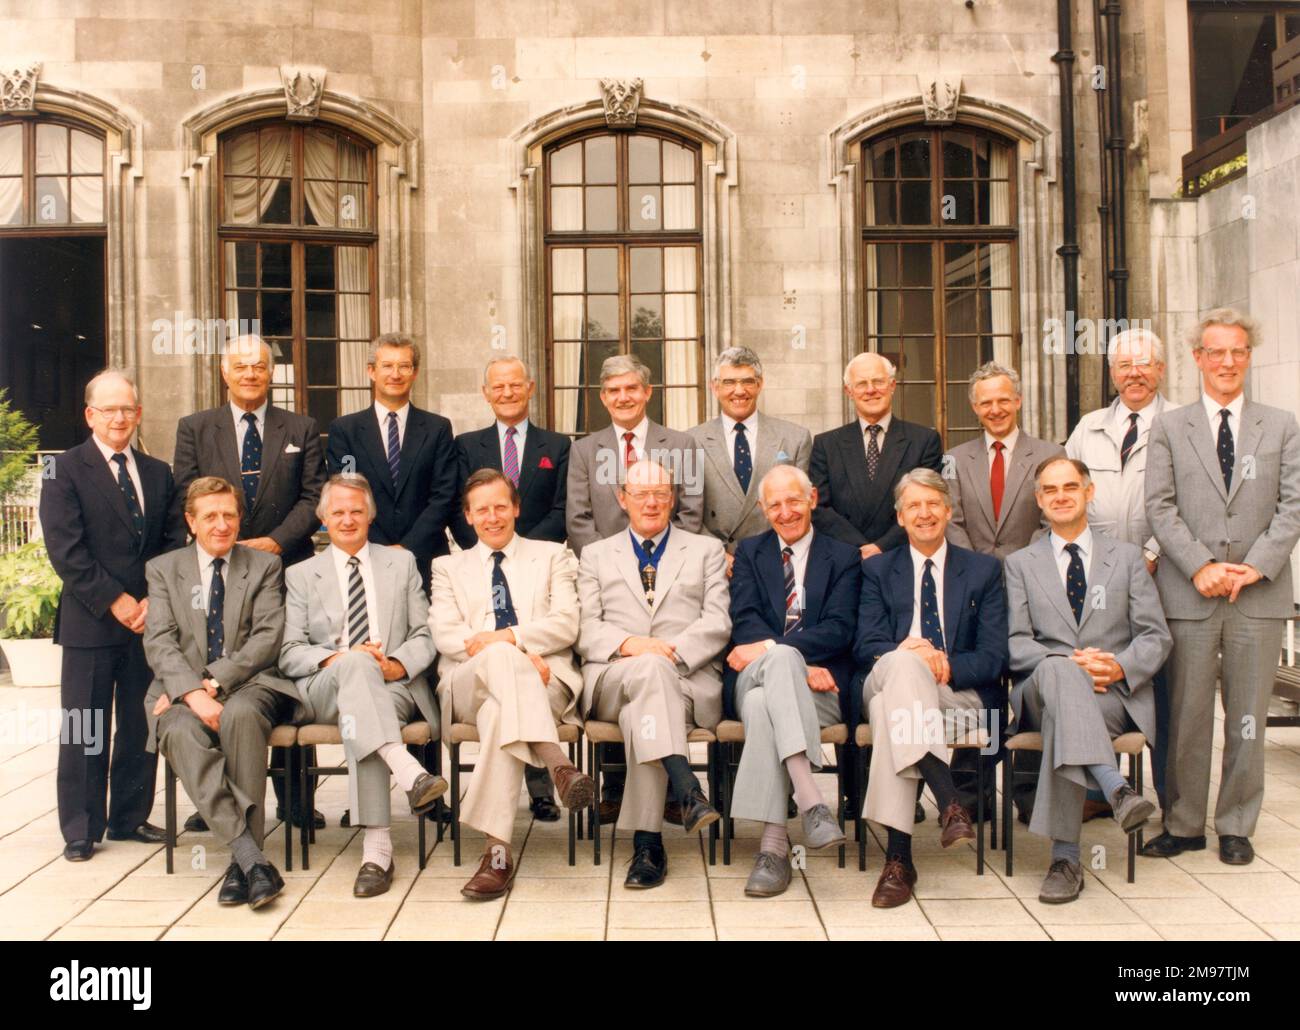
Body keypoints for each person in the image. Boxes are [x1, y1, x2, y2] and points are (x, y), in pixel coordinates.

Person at [1142, 308, 1300, 866]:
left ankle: (1236, 824)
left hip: (1258, 595)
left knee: (1247, 715)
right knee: (1185, 714)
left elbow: (1292, 505)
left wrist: (1255, 566)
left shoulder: (1282, 425)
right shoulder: (1169, 427)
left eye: (1237, 351)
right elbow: (1159, 507)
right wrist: (1201, 564)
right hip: (1190, 594)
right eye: (1217, 352)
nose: (1227, 361)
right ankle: (1183, 824)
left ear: (1248, 357)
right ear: (1198, 359)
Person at [172, 333, 327, 830]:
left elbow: (313, 498)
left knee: (283, 677)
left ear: (271, 372)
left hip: (285, 569)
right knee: (224, 673)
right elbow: (185, 494)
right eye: (240, 366)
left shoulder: (300, 427)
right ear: (225, 372)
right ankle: (216, 800)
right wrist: (232, 545)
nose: (250, 374)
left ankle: (298, 800)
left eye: (259, 366)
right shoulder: (196, 428)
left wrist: (276, 543)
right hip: (219, 570)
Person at [1004, 457, 1170, 903]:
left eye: (1070, 487)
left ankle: (1065, 859)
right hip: (1040, 688)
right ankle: (1114, 786)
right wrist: (1069, 665)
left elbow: (1156, 636)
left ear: (1088, 492)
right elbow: (1016, 643)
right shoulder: (1019, 564)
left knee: (1069, 716)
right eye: (1050, 490)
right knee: (1060, 674)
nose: (1061, 496)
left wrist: (1118, 667)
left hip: (1111, 695)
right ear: (1039, 499)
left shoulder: (1129, 558)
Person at [40, 369, 185, 861]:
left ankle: (128, 817)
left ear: (139, 414)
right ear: (90, 415)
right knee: (86, 725)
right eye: (109, 409)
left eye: (128, 409)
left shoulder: (158, 471)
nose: (119, 418)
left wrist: (150, 601)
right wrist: (118, 601)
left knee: (139, 725)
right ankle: (80, 828)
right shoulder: (62, 470)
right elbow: (67, 550)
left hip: (147, 621)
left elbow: (170, 543)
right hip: (92, 621)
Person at [279, 473, 446, 897]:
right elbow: (290, 651)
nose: (348, 519)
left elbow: (425, 635)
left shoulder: (400, 563)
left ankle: (377, 852)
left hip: (391, 685)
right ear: (322, 520)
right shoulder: (301, 574)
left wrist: (394, 664)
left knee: (367, 713)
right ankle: (405, 774)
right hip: (324, 687)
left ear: (370, 517)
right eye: (338, 512)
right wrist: (341, 658)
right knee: (356, 672)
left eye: (357, 511)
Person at [430, 469, 594, 899]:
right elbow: (446, 635)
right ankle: (557, 761)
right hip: (470, 682)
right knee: (501, 658)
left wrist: (508, 639)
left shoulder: (553, 556)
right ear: (467, 517)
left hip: (546, 682)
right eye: (481, 509)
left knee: (500, 714)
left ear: (517, 508)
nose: (493, 516)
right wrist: (513, 653)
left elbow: (567, 624)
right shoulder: (447, 566)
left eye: (501, 506)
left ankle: (496, 855)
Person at [143, 477, 300, 909]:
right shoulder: (163, 569)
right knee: (177, 731)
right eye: (209, 516)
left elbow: (268, 638)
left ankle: (241, 860)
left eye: (229, 515)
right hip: (179, 690)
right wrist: (190, 693)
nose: (221, 524)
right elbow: (159, 640)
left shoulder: (264, 566)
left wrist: (213, 682)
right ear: (190, 522)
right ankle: (249, 859)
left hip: (253, 683)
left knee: (241, 716)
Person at [855, 468, 1008, 907]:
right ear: (900, 518)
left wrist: (942, 666)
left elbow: (995, 655)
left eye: (932, 504)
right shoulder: (878, 569)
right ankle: (948, 799)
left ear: (948, 510)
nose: (924, 514)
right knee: (902, 667)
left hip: (955, 693)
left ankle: (899, 861)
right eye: (913, 506)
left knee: (892, 712)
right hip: (888, 673)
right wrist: (912, 656)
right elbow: (866, 643)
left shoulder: (983, 570)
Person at [576, 459, 730, 889]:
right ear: (622, 498)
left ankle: (648, 846)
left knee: (642, 714)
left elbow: (717, 622)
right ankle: (686, 789)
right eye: (641, 493)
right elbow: (585, 626)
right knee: (647, 675)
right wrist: (632, 647)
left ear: (673, 498)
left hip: (685, 678)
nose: (651, 502)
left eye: (661, 493)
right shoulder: (595, 554)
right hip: (612, 676)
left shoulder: (706, 550)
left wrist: (666, 656)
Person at [725, 465, 860, 897]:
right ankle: (811, 800)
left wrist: (783, 656)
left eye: (794, 500)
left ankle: (773, 848)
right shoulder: (749, 553)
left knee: (767, 707)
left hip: (820, 690)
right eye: (775, 504)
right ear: (763, 510)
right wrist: (790, 659)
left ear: (813, 499)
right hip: (758, 679)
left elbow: (841, 628)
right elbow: (744, 623)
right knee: (776, 666)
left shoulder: (843, 556)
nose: (786, 512)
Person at [451, 354, 572, 821]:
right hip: (483, 564)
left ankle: (537, 794)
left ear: (531, 387)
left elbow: (561, 508)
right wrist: (487, 550)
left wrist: (523, 552)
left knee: (507, 689)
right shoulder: (467, 444)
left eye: (515, 385)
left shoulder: (557, 445)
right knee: (515, 671)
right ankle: (554, 767)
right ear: (486, 393)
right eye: (497, 386)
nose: (506, 393)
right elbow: (461, 508)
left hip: (533, 570)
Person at [1065, 327, 1171, 816]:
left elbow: (1187, 504)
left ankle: (1174, 802)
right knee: (1095, 673)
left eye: (1144, 364)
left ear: (1161, 370)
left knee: (1164, 687)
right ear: (1111, 373)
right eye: (1124, 366)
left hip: (1164, 572)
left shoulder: (1180, 424)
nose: (1134, 374)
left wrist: (1150, 553)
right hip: (1097, 579)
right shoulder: (1088, 429)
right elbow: (1066, 495)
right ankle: (1096, 792)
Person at [326, 333, 460, 595]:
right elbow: (347, 492)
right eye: (387, 365)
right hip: (365, 556)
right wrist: (377, 550)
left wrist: (407, 548)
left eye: (404, 366)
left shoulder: (437, 429)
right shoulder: (345, 430)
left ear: (415, 372)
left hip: (426, 557)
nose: (395, 374)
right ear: (371, 371)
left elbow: (444, 495)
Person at [565, 353, 703, 558]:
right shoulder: (583, 451)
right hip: (607, 570)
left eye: (631, 388)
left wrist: (658, 556)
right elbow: (578, 520)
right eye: (614, 391)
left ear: (647, 392)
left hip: (669, 564)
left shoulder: (684, 445)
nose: (623, 398)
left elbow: (692, 513)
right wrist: (611, 561)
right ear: (603, 398)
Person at [688, 346, 812, 574]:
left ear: (760, 384)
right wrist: (717, 554)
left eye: (747, 381)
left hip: (776, 563)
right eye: (728, 382)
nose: (739, 391)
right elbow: (686, 512)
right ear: (714, 387)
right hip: (715, 565)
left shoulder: (795, 438)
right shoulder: (690, 441)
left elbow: (801, 508)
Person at [809, 352, 943, 558]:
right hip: (845, 558)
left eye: (878, 381)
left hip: (902, 556)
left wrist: (881, 547)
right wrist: (860, 548)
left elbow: (927, 503)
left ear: (892, 385)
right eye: (861, 384)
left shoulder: (924, 441)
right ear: (849, 391)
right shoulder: (826, 445)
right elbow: (819, 507)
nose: (871, 390)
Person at [945, 361, 1065, 560]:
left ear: (1018, 401)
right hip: (973, 576)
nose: (995, 410)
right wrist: (975, 567)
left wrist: (1023, 565)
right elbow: (951, 521)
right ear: (975, 407)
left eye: (1003, 400)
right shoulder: (952, 459)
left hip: (1032, 572)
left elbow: (1054, 519)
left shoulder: (1052, 455)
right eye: (986, 403)